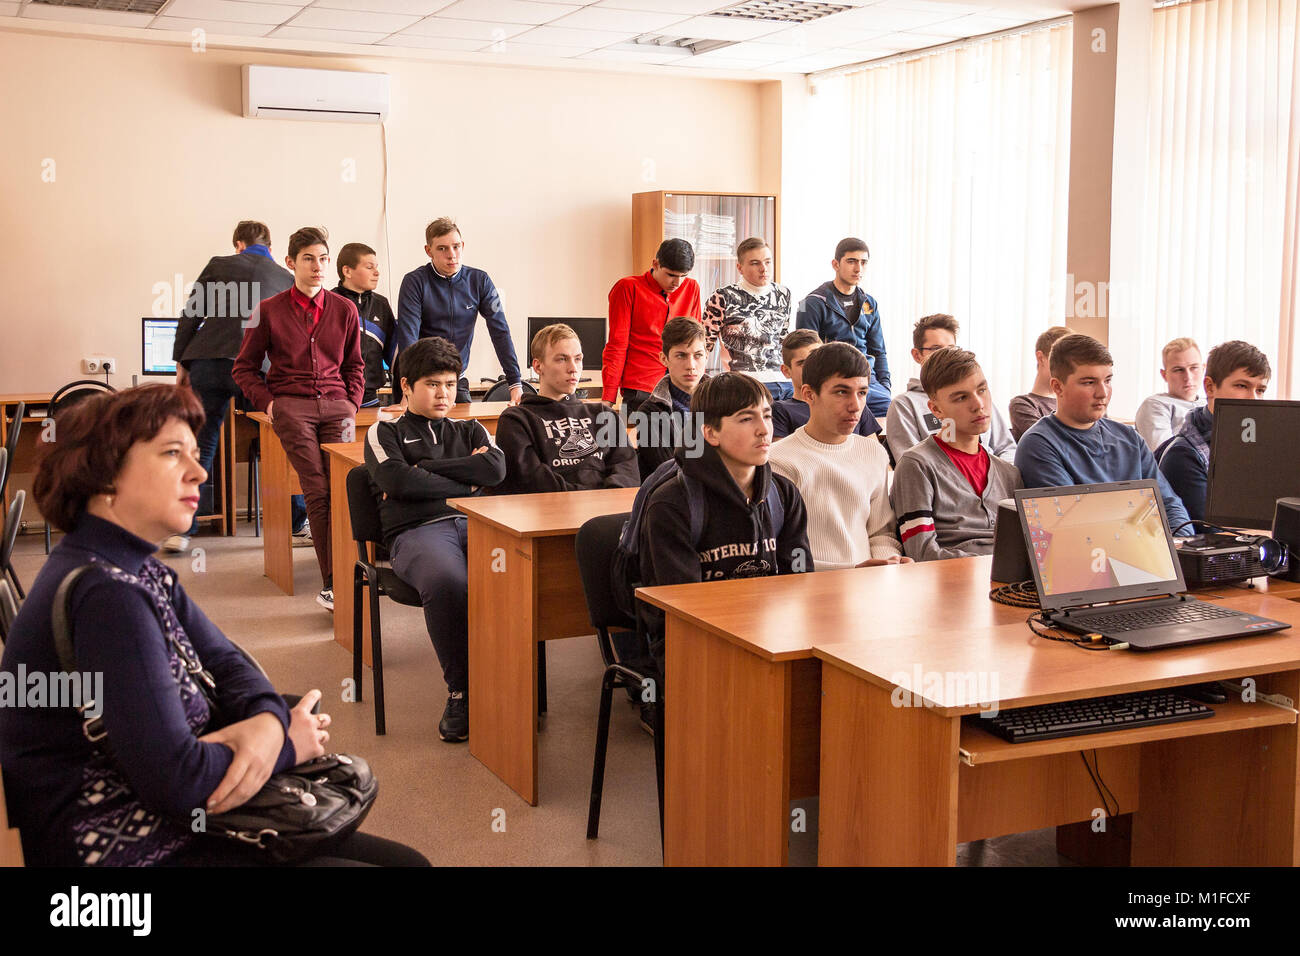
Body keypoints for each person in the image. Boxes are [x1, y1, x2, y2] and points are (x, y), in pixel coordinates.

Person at [0, 384, 427, 867]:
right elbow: (180, 783)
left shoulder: (135, 567)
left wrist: (263, 727)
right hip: (127, 849)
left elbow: (231, 663)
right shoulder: (106, 595)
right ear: (103, 476)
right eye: (171, 453)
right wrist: (284, 743)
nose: (199, 470)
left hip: (178, 814)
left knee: (405, 862)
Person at [364, 338, 506, 742]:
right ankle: (461, 690)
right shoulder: (384, 430)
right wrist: (466, 478)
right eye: (432, 384)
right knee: (449, 583)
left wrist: (426, 470)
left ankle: (510, 680)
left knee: (521, 566)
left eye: (449, 383)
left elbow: (495, 470)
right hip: (416, 532)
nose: (443, 393)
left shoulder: (471, 427)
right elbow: (395, 479)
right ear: (406, 386)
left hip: (478, 524)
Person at [233, 226, 364, 611]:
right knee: (318, 491)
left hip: (338, 407)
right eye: (309, 258)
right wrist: (271, 405)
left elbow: (356, 365)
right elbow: (244, 368)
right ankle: (333, 583)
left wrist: (352, 403)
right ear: (291, 263)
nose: (318, 266)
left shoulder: (345, 309)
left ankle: (352, 572)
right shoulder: (269, 310)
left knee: (344, 491)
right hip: (292, 408)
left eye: (324, 258)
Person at [638, 373, 812, 663]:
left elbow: (798, 581)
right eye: (746, 419)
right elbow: (683, 609)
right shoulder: (673, 503)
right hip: (695, 643)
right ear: (711, 433)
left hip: (770, 634)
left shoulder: (783, 494)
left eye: (766, 416)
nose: (763, 430)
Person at [168, 220, 300, 553]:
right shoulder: (285, 277)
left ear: (238, 244)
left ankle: (184, 528)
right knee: (285, 439)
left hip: (210, 360)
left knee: (200, 441)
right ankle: (300, 521)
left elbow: (190, 314)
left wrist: (182, 363)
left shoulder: (219, 265)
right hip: (259, 367)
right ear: (270, 246)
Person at [1015, 333, 1191, 532]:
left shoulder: (1130, 439)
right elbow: (1075, 528)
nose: (1103, 393)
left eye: (1107, 380)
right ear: (1057, 386)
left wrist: (1180, 546)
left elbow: (1170, 505)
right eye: (1089, 382)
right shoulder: (1039, 445)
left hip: (1148, 553)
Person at [768, 343, 908, 570]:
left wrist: (888, 563)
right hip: (806, 591)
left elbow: (881, 532)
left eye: (862, 392)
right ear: (809, 394)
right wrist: (850, 571)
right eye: (841, 392)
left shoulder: (874, 453)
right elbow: (780, 554)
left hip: (869, 586)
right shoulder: (779, 461)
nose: (855, 406)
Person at [890, 347, 1022, 561]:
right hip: (952, 585)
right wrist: (988, 567)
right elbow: (922, 553)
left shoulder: (1009, 473)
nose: (978, 405)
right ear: (936, 410)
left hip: (1009, 584)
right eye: (961, 398)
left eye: (982, 390)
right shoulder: (916, 465)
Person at [496, 323, 639, 494]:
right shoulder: (517, 420)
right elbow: (531, 481)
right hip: (553, 514)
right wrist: (589, 499)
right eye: (562, 359)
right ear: (538, 366)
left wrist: (602, 502)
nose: (573, 369)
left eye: (578, 359)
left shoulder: (604, 416)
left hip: (608, 514)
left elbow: (627, 472)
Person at [395, 218, 522, 406]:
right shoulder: (414, 282)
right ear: (428, 251)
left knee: (463, 431)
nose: (451, 255)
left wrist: (515, 382)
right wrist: (408, 392)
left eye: (456, 246)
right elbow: (408, 338)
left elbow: (500, 331)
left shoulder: (480, 281)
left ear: (462, 245)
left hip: (455, 379)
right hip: (419, 379)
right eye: (442, 248)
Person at [1158, 340, 1271, 522]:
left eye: (1260, 390)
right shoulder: (1183, 455)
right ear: (1210, 387)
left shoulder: (1263, 441)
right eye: (1242, 386)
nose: (1254, 398)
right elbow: (1211, 530)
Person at [885, 314, 1016, 465]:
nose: (945, 356)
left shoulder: (978, 397)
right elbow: (910, 464)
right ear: (917, 355)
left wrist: (995, 478)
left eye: (951, 349)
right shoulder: (905, 404)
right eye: (936, 349)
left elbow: (1007, 448)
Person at [795, 237, 891, 417]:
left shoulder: (870, 303)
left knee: (890, 408)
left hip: (870, 385)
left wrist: (885, 386)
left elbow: (879, 351)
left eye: (863, 262)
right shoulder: (811, 303)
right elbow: (804, 356)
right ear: (835, 264)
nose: (858, 268)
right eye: (852, 261)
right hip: (834, 383)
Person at [603, 238, 702, 412]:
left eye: (683, 276)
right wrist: (608, 398)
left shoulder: (692, 288)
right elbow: (617, 345)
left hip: (681, 387)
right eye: (671, 275)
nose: (677, 283)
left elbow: (695, 342)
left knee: (688, 439)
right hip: (641, 389)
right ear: (655, 264)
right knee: (641, 439)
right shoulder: (628, 288)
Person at [701, 238, 792, 400]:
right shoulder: (722, 297)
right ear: (740, 268)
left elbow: (784, 340)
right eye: (755, 263)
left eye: (768, 262)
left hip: (783, 381)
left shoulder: (783, 294)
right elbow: (704, 346)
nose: (764, 269)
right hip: (743, 382)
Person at [771, 329, 881, 440]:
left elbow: (872, 451)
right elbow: (780, 454)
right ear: (786, 371)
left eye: (821, 361)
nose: (814, 367)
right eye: (803, 363)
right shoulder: (780, 410)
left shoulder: (855, 404)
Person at [634, 317, 709, 480]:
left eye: (698, 355)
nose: (691, 365)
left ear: (706, 356)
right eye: (681, 356)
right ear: (664, 359)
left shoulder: (726, 402)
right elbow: (668, 472)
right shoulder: (649, 413)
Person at [334, 242, 396, 408]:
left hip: (370, 398)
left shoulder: (381, 304)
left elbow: (393, 353)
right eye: (369, 267)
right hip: (334, 397)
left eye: (376, 267)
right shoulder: (328, 302)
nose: (377, 273)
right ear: (347, 271)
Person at [1135, 337, 1206, 451]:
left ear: (1203, 368)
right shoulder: (1155, 405)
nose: (1188, 377)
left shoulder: (1209, 405)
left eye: (1194, 368)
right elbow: (1165, 454)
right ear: (1164, 374)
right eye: (1178, 370)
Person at [1009, 325, 1073, 440]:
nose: (1069, 368)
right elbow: (1050, 442)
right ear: (1041, 358)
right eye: (1062, 360)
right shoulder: (1024, 404)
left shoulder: (1078, 400)